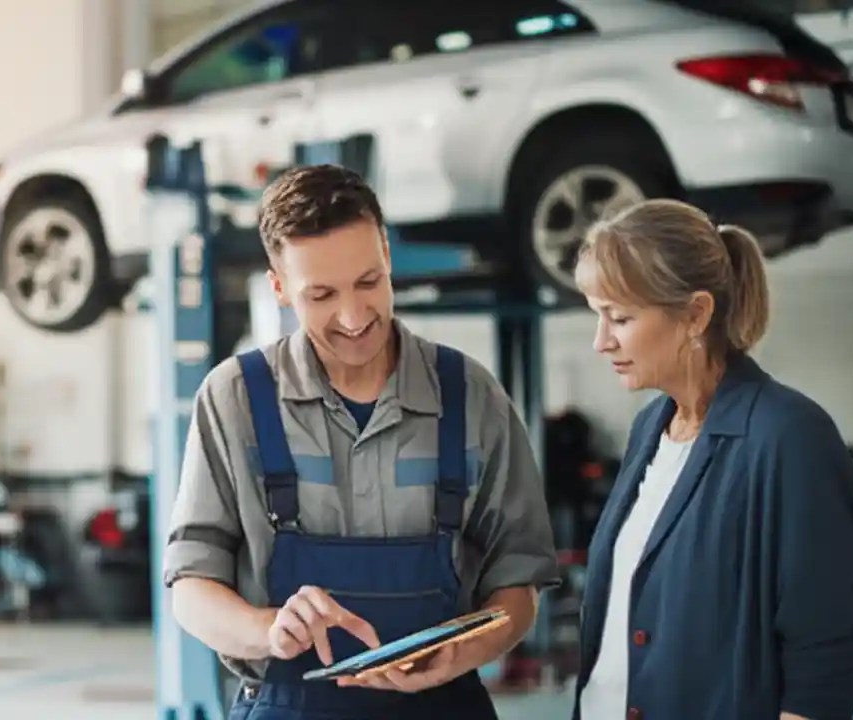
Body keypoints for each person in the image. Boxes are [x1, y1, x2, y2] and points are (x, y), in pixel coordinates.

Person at [163, 164, 560, 719]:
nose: (353, 317)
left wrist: (465, 652)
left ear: (388, 261)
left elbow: (519, 584)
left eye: (369, 283)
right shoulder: (235, 400)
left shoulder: (470, 396)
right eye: (321, 294)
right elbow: (190, 585)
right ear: (279, 288)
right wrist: (268, 630)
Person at [571, 199, 853, 720]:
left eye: (620, 317)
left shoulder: (790, 438)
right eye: (597, 315)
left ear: (695, 314)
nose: (601, 341)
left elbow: (822, 662)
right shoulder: (649, 428)